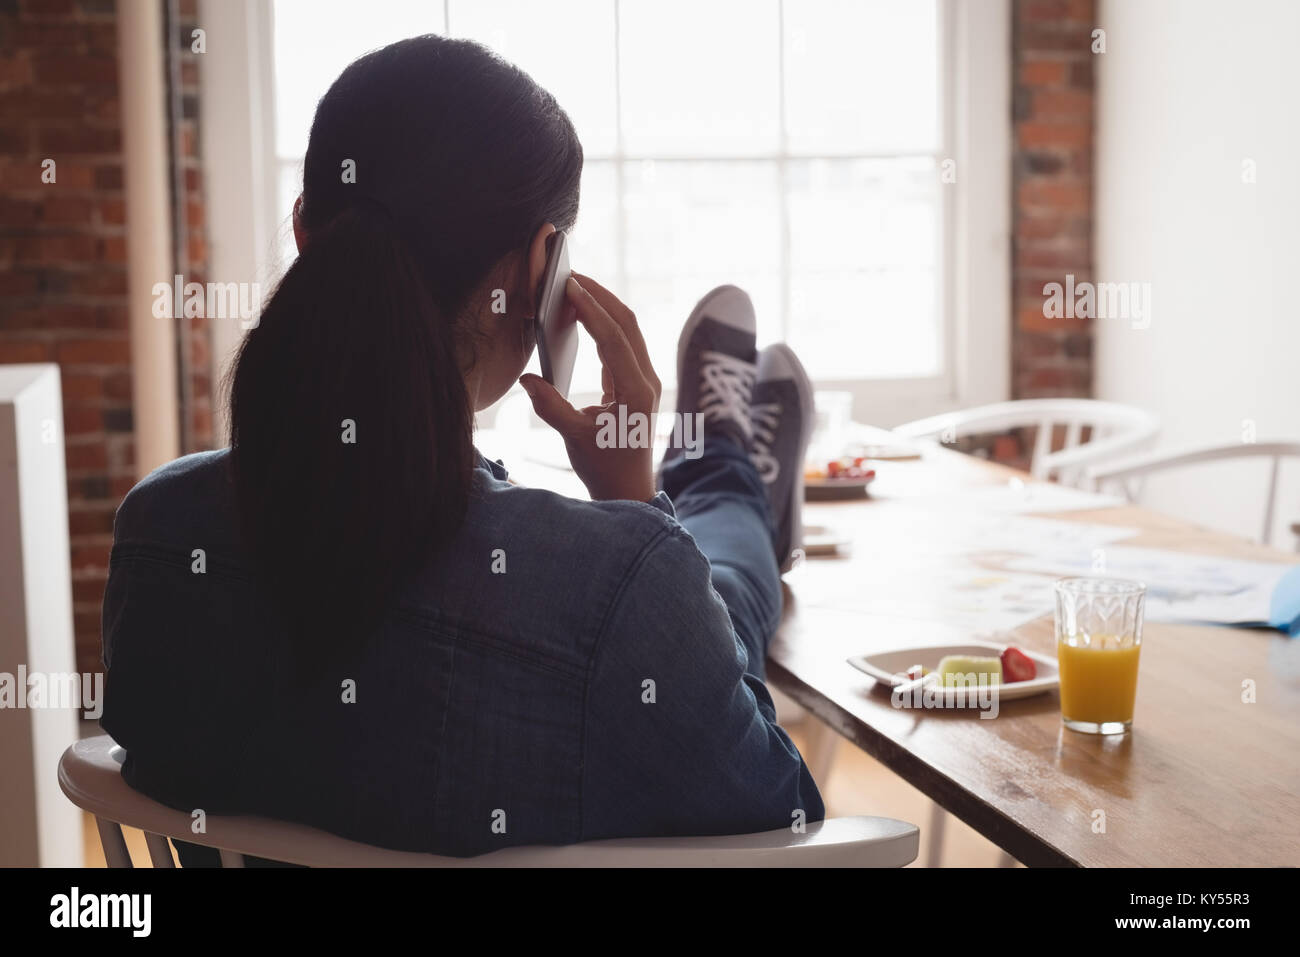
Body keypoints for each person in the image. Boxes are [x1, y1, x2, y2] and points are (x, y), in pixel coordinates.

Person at [100, 34, 823, 862]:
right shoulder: (616, 585)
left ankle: (726, 472)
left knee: (688, 594)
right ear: (540, 272)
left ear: (306, 232)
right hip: (637, 607)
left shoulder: (154, 533)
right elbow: (780, 804)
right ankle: (725, 459)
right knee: (715, 582)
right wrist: (634, 511)